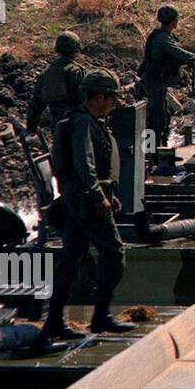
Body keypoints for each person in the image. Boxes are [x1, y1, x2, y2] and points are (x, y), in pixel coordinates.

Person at [45, 69, 133, 339]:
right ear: (98, 96)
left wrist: (107, 191)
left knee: (71, 258)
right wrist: (98, 196)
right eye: (111, 98)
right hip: (86, 201)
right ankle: (101, 317)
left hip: (79, 199)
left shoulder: (86, 121)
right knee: (115, 253)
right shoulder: (83, 123)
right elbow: (84, 164)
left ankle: (53, 321)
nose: (114, 104)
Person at [138, 4, 195, 150]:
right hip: (153, 82)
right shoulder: (163, 38)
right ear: (174, 21)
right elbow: (180, 53)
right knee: (156, 118)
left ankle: (159, 150)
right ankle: (150, 154)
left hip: (157, 81)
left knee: (163, 115)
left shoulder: (164, 36)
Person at [26, 31, 86, 139]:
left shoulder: (45, 75)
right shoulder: (76, 72)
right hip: (78, 127)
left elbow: (35, 105)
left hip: (58, 130)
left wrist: (31, 128)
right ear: (76, 50)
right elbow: (85, 99)